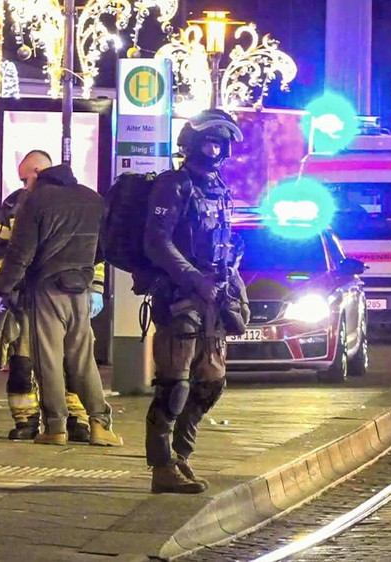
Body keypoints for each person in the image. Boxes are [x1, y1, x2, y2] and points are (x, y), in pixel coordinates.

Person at [142, 109, 250, 494]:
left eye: (221, 144)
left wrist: (230, 270)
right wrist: (193, 279)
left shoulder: (219, 186)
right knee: (174, 384)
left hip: (215, 297)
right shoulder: (173, 185)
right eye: (209, 142)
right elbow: (157, 242)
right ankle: (162, 467)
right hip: (180, 297)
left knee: (212, 383)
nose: (215, 150)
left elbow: (223, 237)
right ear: (192, 144)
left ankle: (181, 455)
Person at [0, 157, 122, 447]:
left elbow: (19, 255)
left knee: (47, 360)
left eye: (26, 179)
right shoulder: (92, 199)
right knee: (83, 359)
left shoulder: (35, 201)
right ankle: (100, 424)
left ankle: (55, 427)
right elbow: (105, 248)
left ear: (38, 172)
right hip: (81, 288)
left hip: (46, 289)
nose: (25, 186)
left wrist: (1, 289)